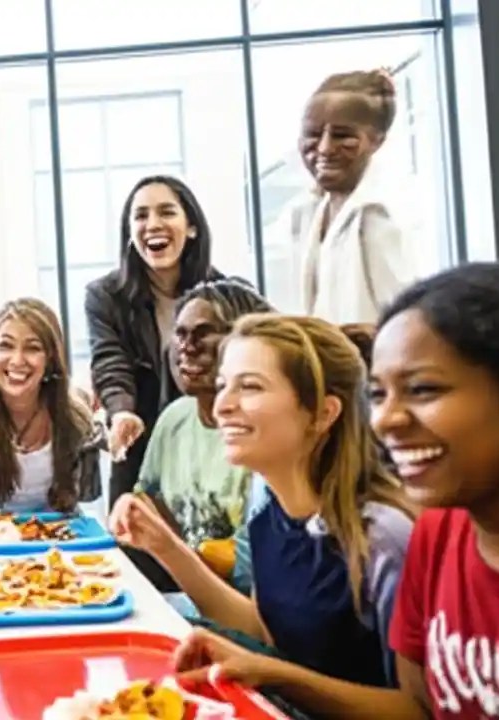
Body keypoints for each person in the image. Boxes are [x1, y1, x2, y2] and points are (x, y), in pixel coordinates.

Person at [173, 261, 499, 719]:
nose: (386, 420)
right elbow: (421, 706)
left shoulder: (393, 535)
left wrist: (277, 675)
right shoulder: (438, 535)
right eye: (378, 395)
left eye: (423, 389)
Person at [113, 314, 414, 688]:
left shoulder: (385, 538)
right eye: (224, 385)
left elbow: (417, 711)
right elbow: (265, 630)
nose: (222, 404)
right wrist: (166, 547)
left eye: (250, 387)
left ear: (322, 414)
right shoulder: (265, 502)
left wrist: (274, 675)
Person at [109, 279, 274, 593]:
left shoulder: (262, 432)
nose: (187, 346)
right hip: (191, 599)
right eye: (180, 334)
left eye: (204, 333)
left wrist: (177, 552)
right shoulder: (174, 418)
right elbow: (149, 499)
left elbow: (249, 563)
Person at [85, 175, 226, 508]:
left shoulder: (226, 294)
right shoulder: (105, 297)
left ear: (191, 227)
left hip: (209, 450)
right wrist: (121, 413)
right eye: (141, 216)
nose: (153, 224)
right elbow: (109, 361)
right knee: (135, 549)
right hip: (139, 446)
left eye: (166, 212)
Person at [276, 68, 411, 324]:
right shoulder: (304, 212)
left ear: (377, 141)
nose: (325, 148)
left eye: (342, 136)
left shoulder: (380, 213)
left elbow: (403, 319)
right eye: (313, 134)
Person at [0, 298, 102, 514]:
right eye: (5, 346)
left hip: (57, 535)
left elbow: (85, 495)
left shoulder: (76, 417)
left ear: (51, 359)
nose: (17, 360)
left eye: (32, 348)